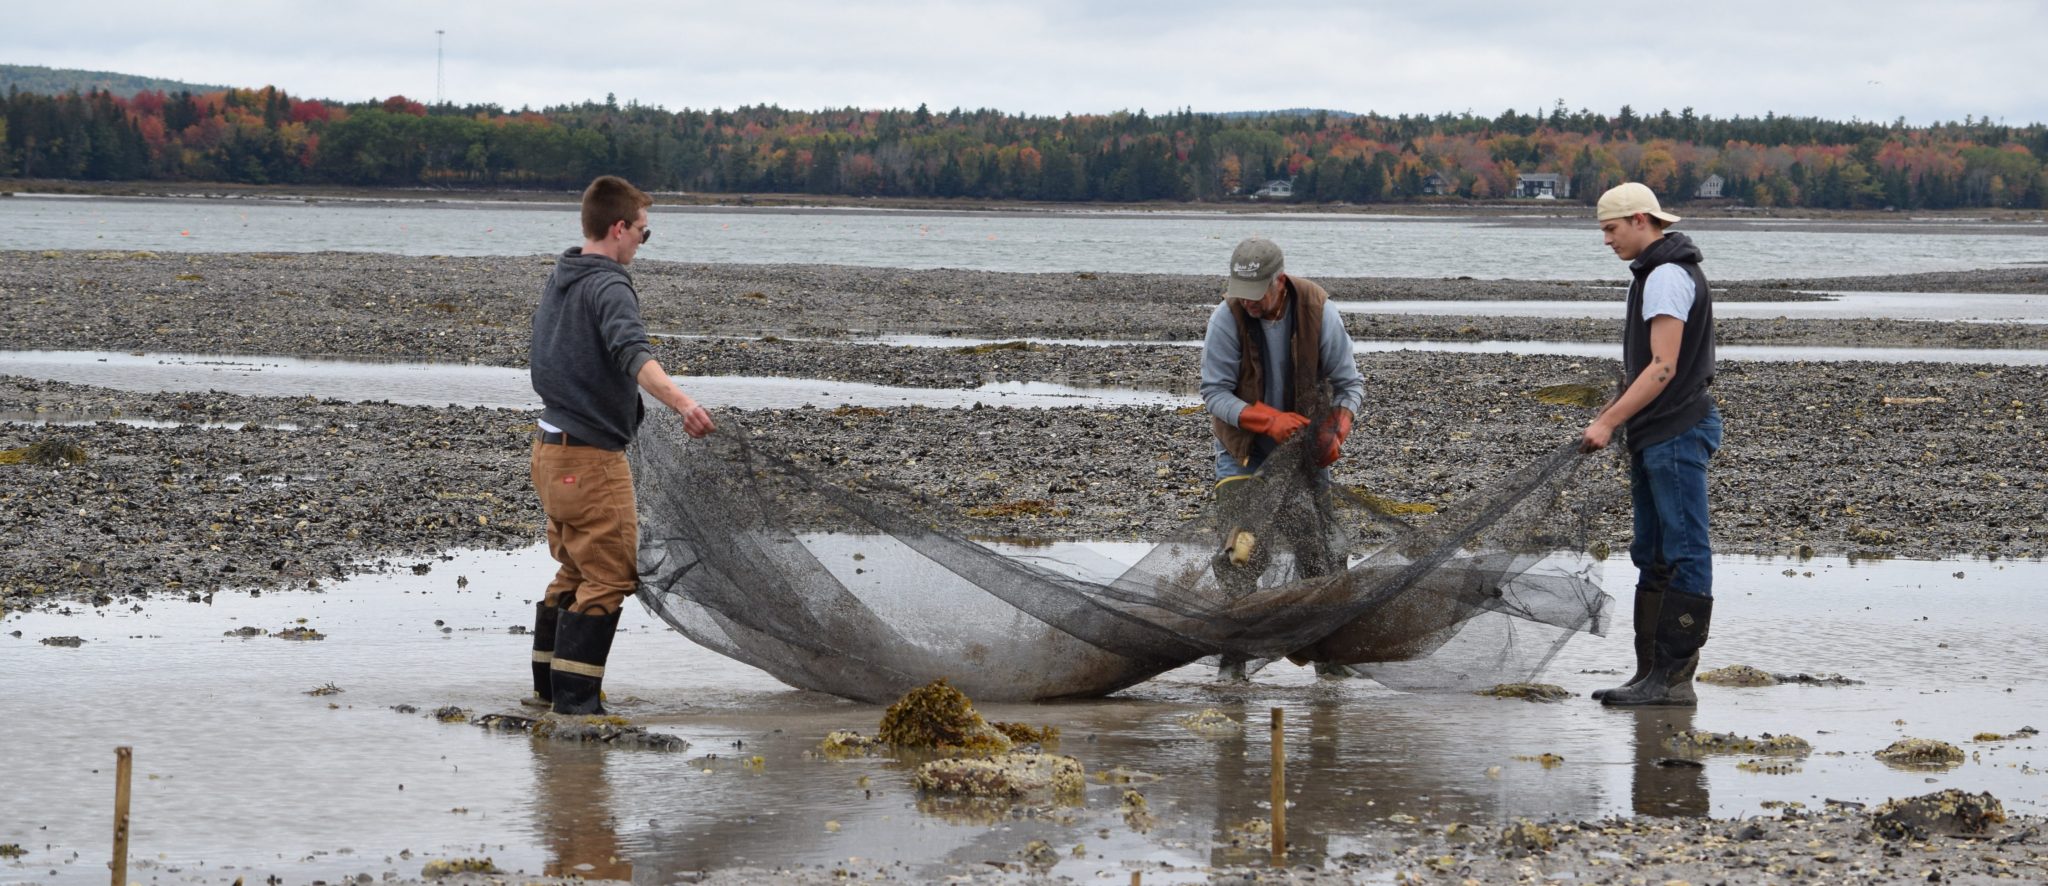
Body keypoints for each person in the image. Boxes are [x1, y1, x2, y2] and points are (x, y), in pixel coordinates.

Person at [526, 175, 716, 715]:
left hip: (548, 451)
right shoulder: (608, 284)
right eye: (642, 232)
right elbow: (632, 352)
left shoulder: (562, 276)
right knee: (609, 577)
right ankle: (578, 711)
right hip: (587, 459)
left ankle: (546, 699)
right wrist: (683, 404)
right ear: (618, 228)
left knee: (575, 571)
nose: (640, 243)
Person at [1580, 182, 1722, 707]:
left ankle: (1674, 679)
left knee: (1684, 551)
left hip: (1678, 430)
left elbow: (1663, 365)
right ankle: (1650, 675)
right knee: (1653, 551)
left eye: (1611, 230)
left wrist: (1608, 421)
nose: (1606, 241)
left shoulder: (1665, 276)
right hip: (1656, 433)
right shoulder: (1656, 272)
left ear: (1641, 220)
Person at [1200, 236, 1366, 680]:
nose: (1249, 304)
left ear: (1280, 281)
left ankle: (1330, 665)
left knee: (1324, 556)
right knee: (1242, 553)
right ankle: (1232, 665)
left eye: (1258, 295)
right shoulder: (1226, 317)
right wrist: (1266, 420)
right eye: (1242, 295)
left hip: (1304, 457)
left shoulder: (1318, 310)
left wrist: (1338, 428)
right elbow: (1213, 393)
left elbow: (1350, 385)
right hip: (1244, 453)